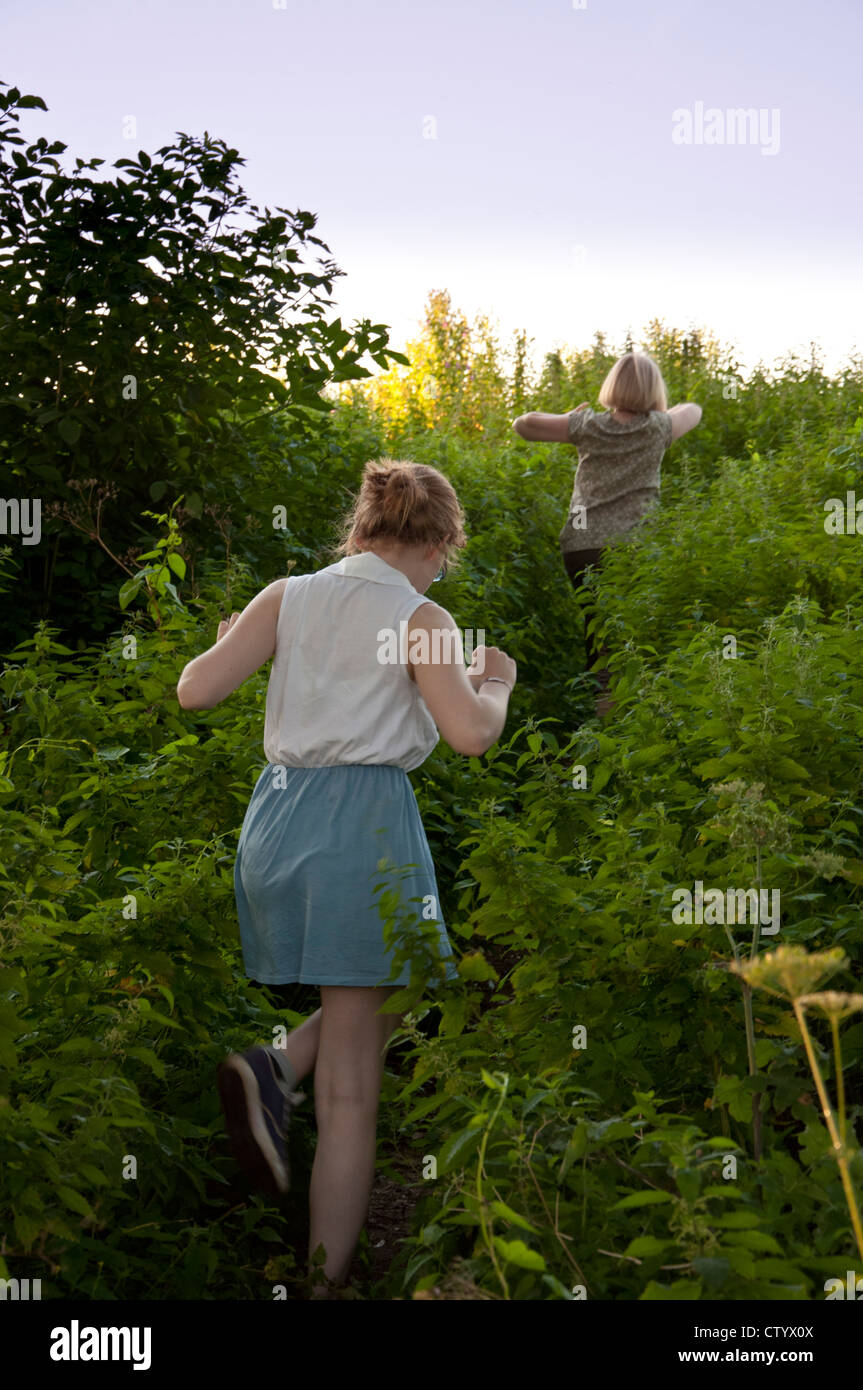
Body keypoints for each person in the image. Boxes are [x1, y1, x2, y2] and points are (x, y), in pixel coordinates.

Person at [176, 458, 517, 1298]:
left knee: (408, 972)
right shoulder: (422, 617)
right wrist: (495, 683)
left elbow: (194, 690)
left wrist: (232, 637)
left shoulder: (287, 594)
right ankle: (323, 1284)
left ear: (361, 529)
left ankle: (277, 1064)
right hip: (362, 831)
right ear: (437, 543)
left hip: (277, 826)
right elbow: (470, 735)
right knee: (355, 1090)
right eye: (444, 556)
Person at [512, 351, 702, 715]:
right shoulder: (659, 428)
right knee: (631, 635)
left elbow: (524, 424)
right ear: (653, 391)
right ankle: (628, 724)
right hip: (632, 548)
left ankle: (606, 720)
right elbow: (694, 410)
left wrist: (569, 419)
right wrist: (665, 414)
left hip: (582, 546)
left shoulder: (587, 425)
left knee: (600, 635)